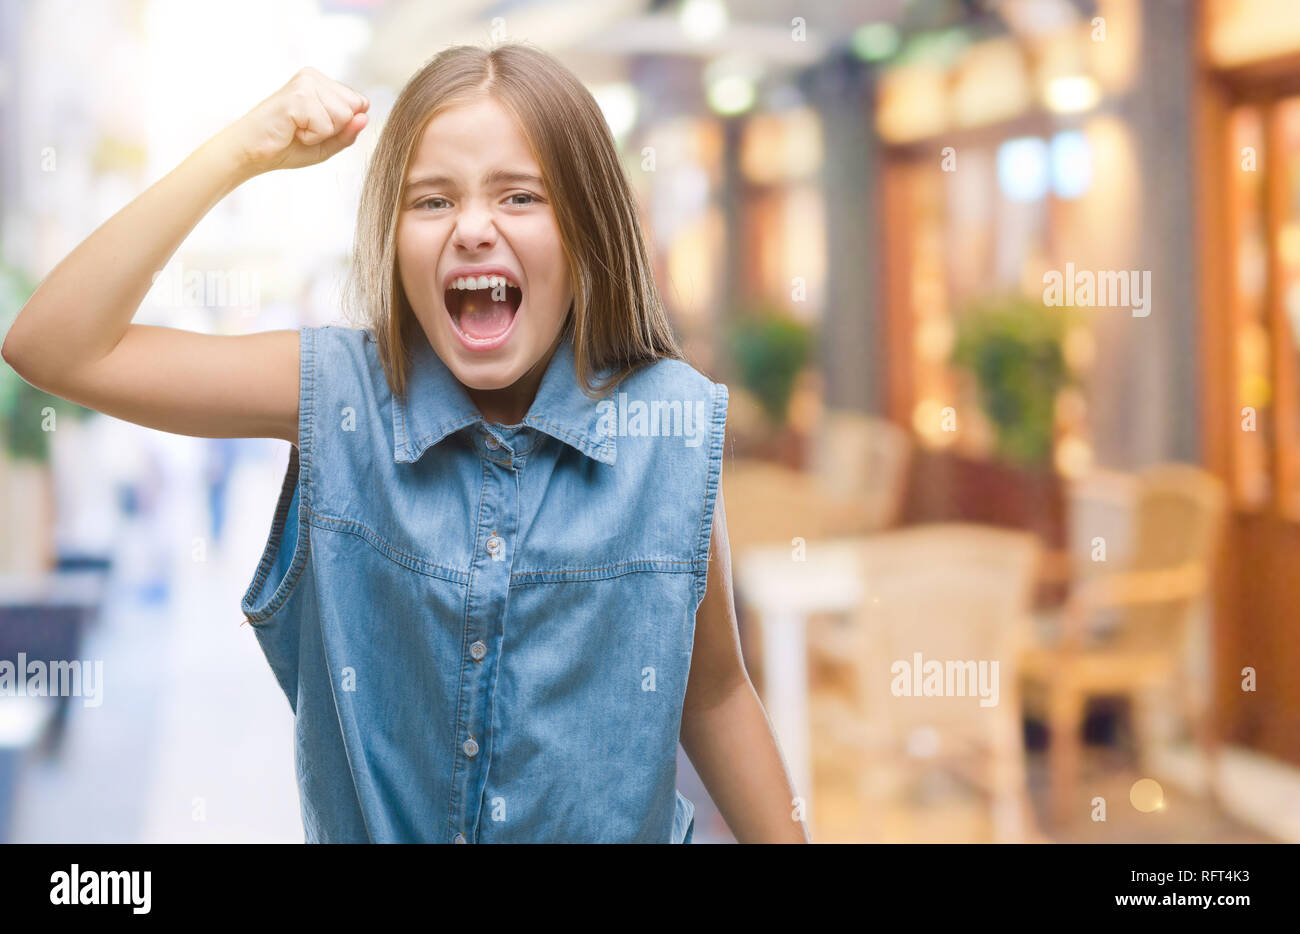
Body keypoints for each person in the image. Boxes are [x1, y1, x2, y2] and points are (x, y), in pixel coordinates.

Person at [2, 42, 809, 844]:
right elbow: (55, 346)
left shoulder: (670, 420)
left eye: (520, 196)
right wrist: (240, 149)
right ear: (393, 239)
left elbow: (714, 696)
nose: (472, 229)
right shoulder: (336, 392)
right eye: (431, 202)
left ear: (587, 228)